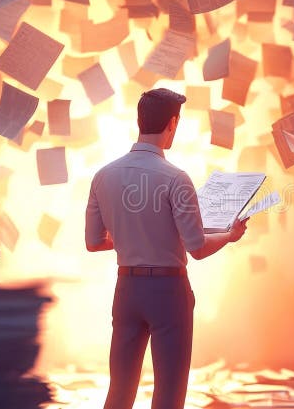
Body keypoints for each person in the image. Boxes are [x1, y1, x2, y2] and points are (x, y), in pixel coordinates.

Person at [85, 88, 248, 409]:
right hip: (168, 292)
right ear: (172, 123)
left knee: (119, 391)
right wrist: (229, 236)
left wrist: (131, 235)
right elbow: (197, 247)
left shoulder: (102, 176)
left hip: (127, 290)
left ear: (140, 120)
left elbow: (93, 243)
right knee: (169, 393)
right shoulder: (176, 178)